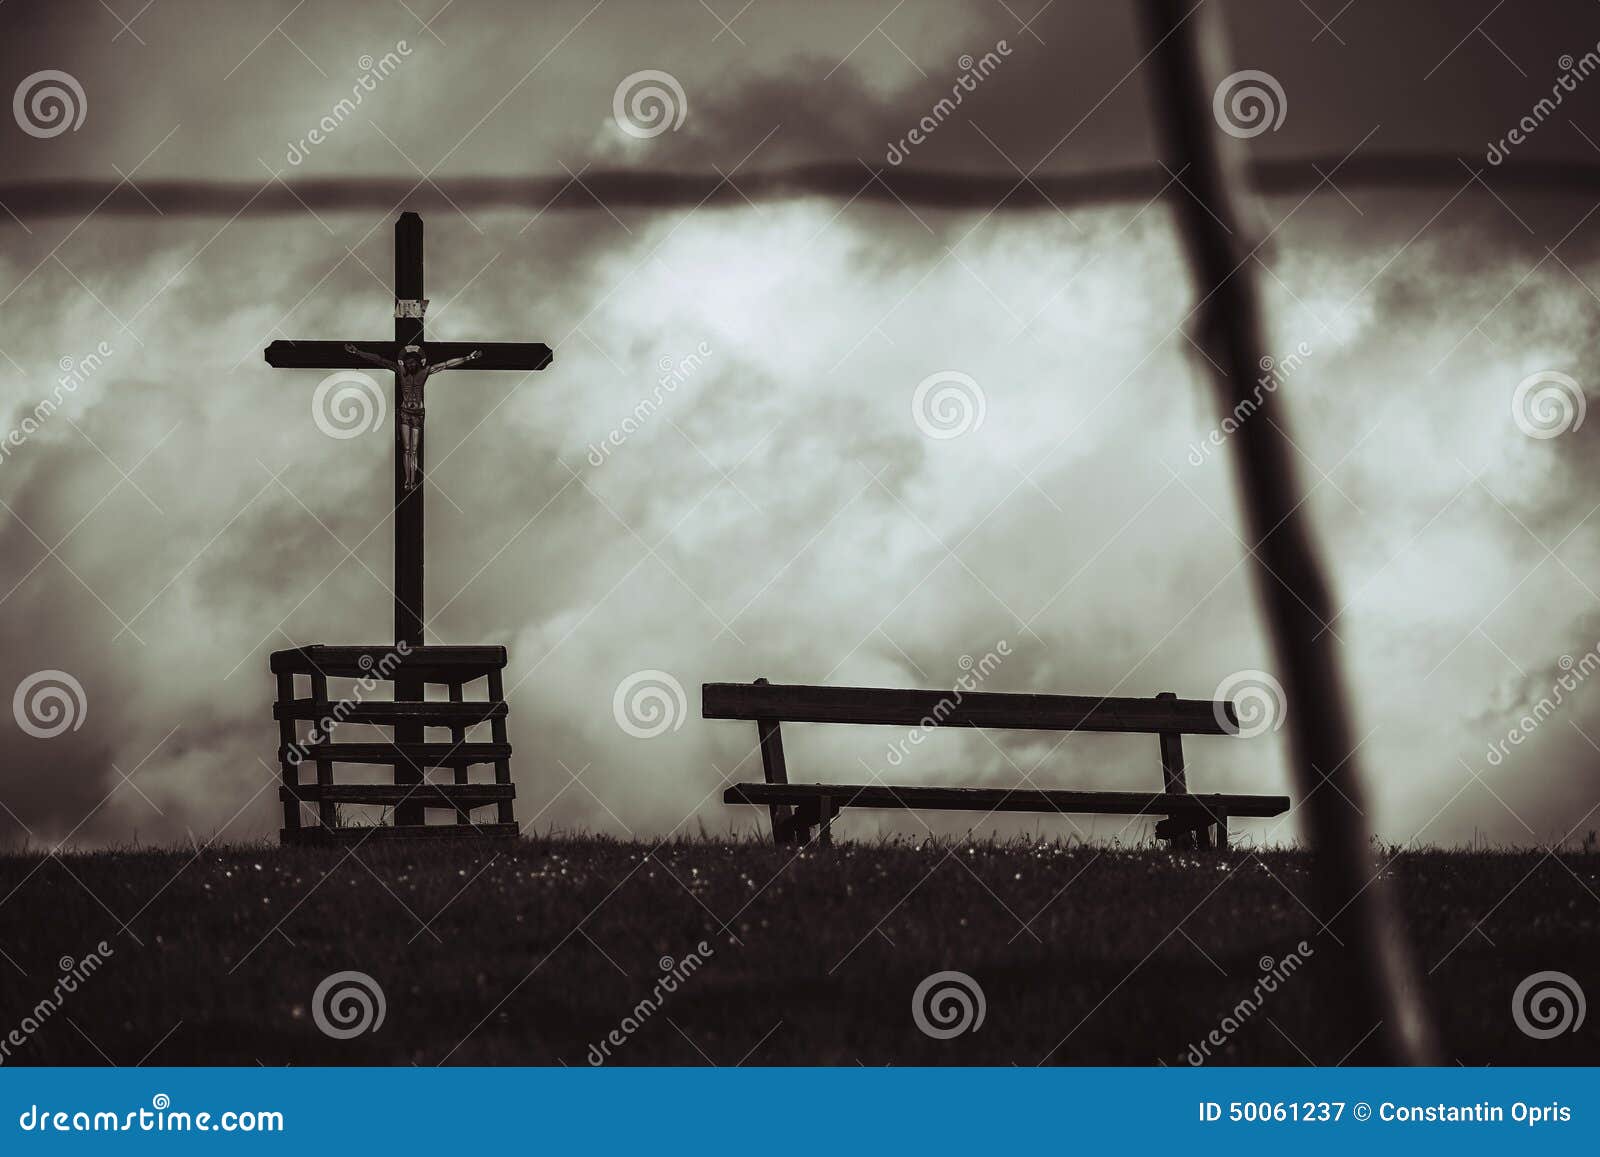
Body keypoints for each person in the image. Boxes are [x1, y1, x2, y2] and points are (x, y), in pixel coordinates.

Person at [343, 343, 481, 489]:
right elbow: (379, 360)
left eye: (413, 361)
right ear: (404, 362)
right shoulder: (401, 371)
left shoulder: (425, 372)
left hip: (418, 415)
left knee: (414, 449)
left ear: (418, 361)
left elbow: (445, 365)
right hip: (405, 413)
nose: (411, 364)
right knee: (407, 449)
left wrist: (469, 357)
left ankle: (413, 480)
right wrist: (358, 352)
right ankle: (408, 480)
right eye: (408, 362)